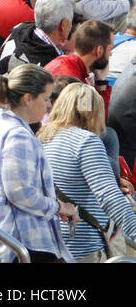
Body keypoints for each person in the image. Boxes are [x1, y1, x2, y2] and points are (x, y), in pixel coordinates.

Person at [0, 64, 78, 262]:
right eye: (45, 98)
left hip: (0, 241)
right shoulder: (18, 135)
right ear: (27, 98)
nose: (49, 105)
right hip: (17, 245)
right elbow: (20, 192)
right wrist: (58, 208)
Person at [41, 82, 136, 261]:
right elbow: (109, 195)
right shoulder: (86, 141)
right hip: (84, 245)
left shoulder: (42, 137)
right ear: (95, 113)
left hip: (52, 241)